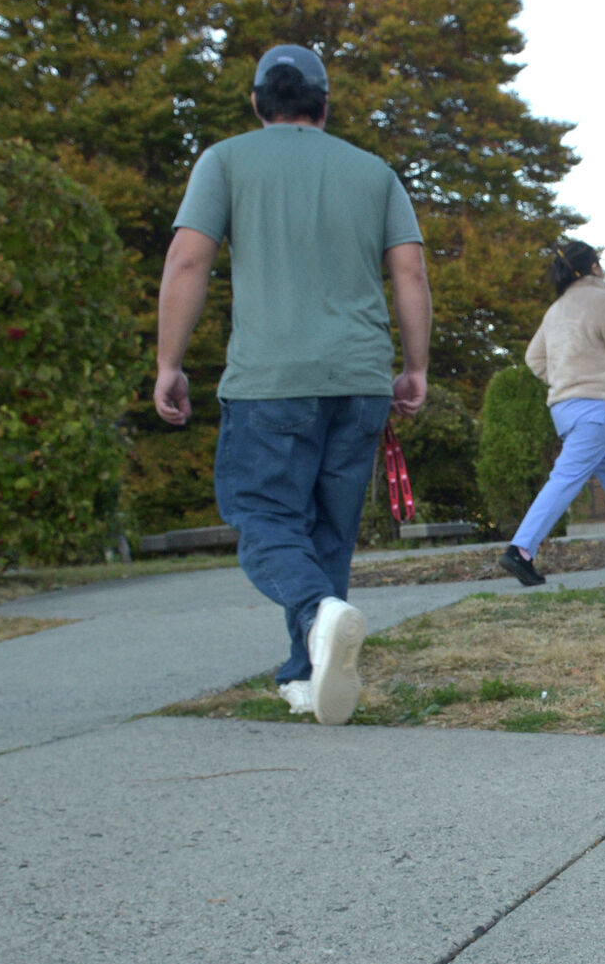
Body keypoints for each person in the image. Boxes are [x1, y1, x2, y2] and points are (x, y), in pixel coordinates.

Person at [154, 43, 431, 726]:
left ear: (257, 102)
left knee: (264, 520)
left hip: (270, 381)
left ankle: (316, 614)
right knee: (327, 532)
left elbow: (188, 262)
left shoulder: (225, 161)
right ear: (324, 105)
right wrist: (415, 366)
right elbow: (410, 272)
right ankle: (307, 675)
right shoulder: (375, 173)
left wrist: (169, 363)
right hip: (360, 379)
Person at [498, 241, 605, 586]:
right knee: (565, 478)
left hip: (565, 408)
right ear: (593, 267)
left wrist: (565, 379)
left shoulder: (555, 310)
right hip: (593, 408)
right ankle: (521, 550)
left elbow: (534, 358)